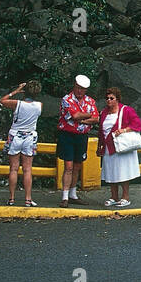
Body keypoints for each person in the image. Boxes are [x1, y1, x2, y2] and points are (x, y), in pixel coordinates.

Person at [96, 86, 141, 207]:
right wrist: (99, 145)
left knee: (123, 172)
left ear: (117, 99)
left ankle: (125, 197)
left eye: (112, 98)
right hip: (108, 146)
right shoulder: (104, 112)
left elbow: (137, 123)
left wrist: (124, 130)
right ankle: (114, 196)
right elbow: (101, 131)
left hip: (121, 146)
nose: (109, 100)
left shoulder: (126, 110)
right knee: (110, 172)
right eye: (107, 98)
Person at [58, 73, 99, 207]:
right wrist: (87, 116)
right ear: (74, 86)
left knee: (77, 166)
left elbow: (96, 118)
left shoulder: (90, 101)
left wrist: (81, 118)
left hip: (81, 136)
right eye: (78, 87)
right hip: (67, 135)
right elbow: (75, 115)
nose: (79, 91)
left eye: (82, 88)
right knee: (68, 166)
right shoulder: (67, 99)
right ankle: (64, 196)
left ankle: (73, 194)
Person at [2, 80, 44, 206]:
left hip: (15, 135)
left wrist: (15, 91)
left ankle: (12, 198)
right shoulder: (39, 105)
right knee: (27, 170)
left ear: (24, 92)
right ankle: (28, 198)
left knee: (13, 169)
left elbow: (2, 100)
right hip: (29, 136)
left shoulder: (17, 104)